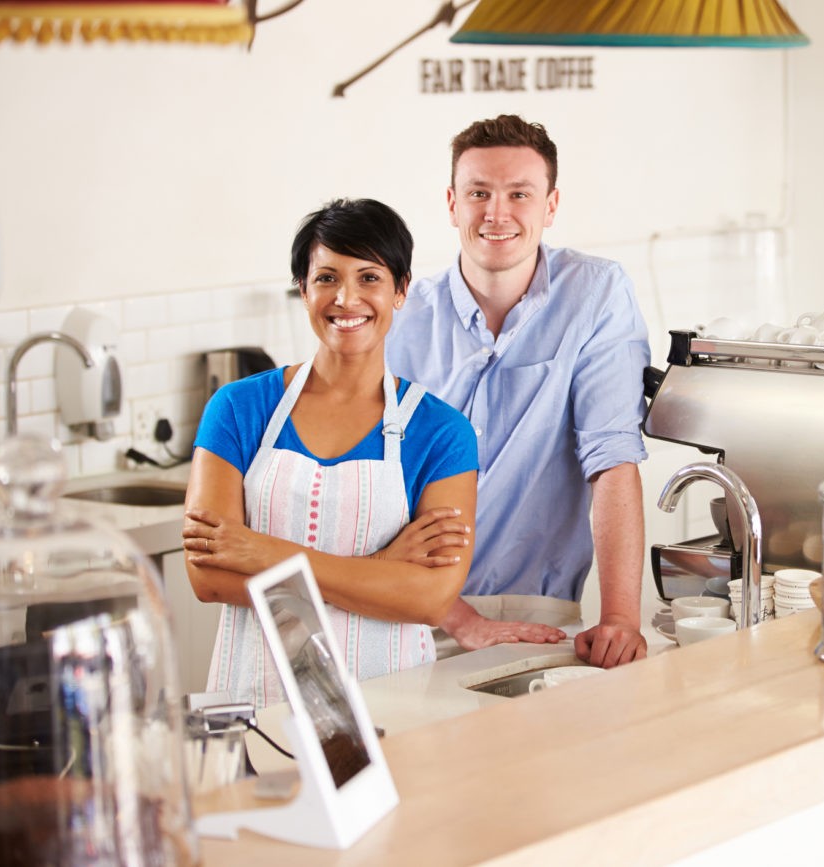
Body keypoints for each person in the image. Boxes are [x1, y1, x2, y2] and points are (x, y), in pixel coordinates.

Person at [183, 198, 479, 708]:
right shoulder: (238, 408)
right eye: (326, 278)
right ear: (303, 290)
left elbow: (430, 599)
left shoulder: (442, 433)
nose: (347, 298)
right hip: (257, 702)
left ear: (401, 290)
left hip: (393, 708)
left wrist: (263, 551)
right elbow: (208, 577)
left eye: (369, 278)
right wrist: (383, 568)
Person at [385, 114, 651, 668]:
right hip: (414, 615)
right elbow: (377, 485)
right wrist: (452, 614)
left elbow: (611, 458)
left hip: (542, 617)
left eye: (519, 194)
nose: (496, 213)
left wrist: (622, 618)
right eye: (478, 192)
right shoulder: (403, 318)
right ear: (452, 203)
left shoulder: (596, 295)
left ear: (550, 206)